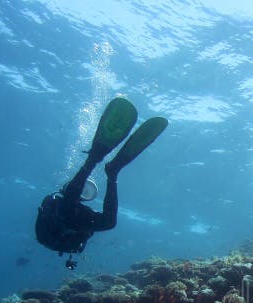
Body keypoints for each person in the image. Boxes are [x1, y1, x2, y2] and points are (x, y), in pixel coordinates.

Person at [35, 97, 167, 269]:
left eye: (87, 192)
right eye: (84, 190)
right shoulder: (60, 204)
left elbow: (79, 204)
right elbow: (69, 198)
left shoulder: (77, 212)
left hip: (68, 224)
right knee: (69, 204)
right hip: (59, 222)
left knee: (108, 222)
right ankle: (98, 164)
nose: (84, 194)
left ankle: (110, 172)